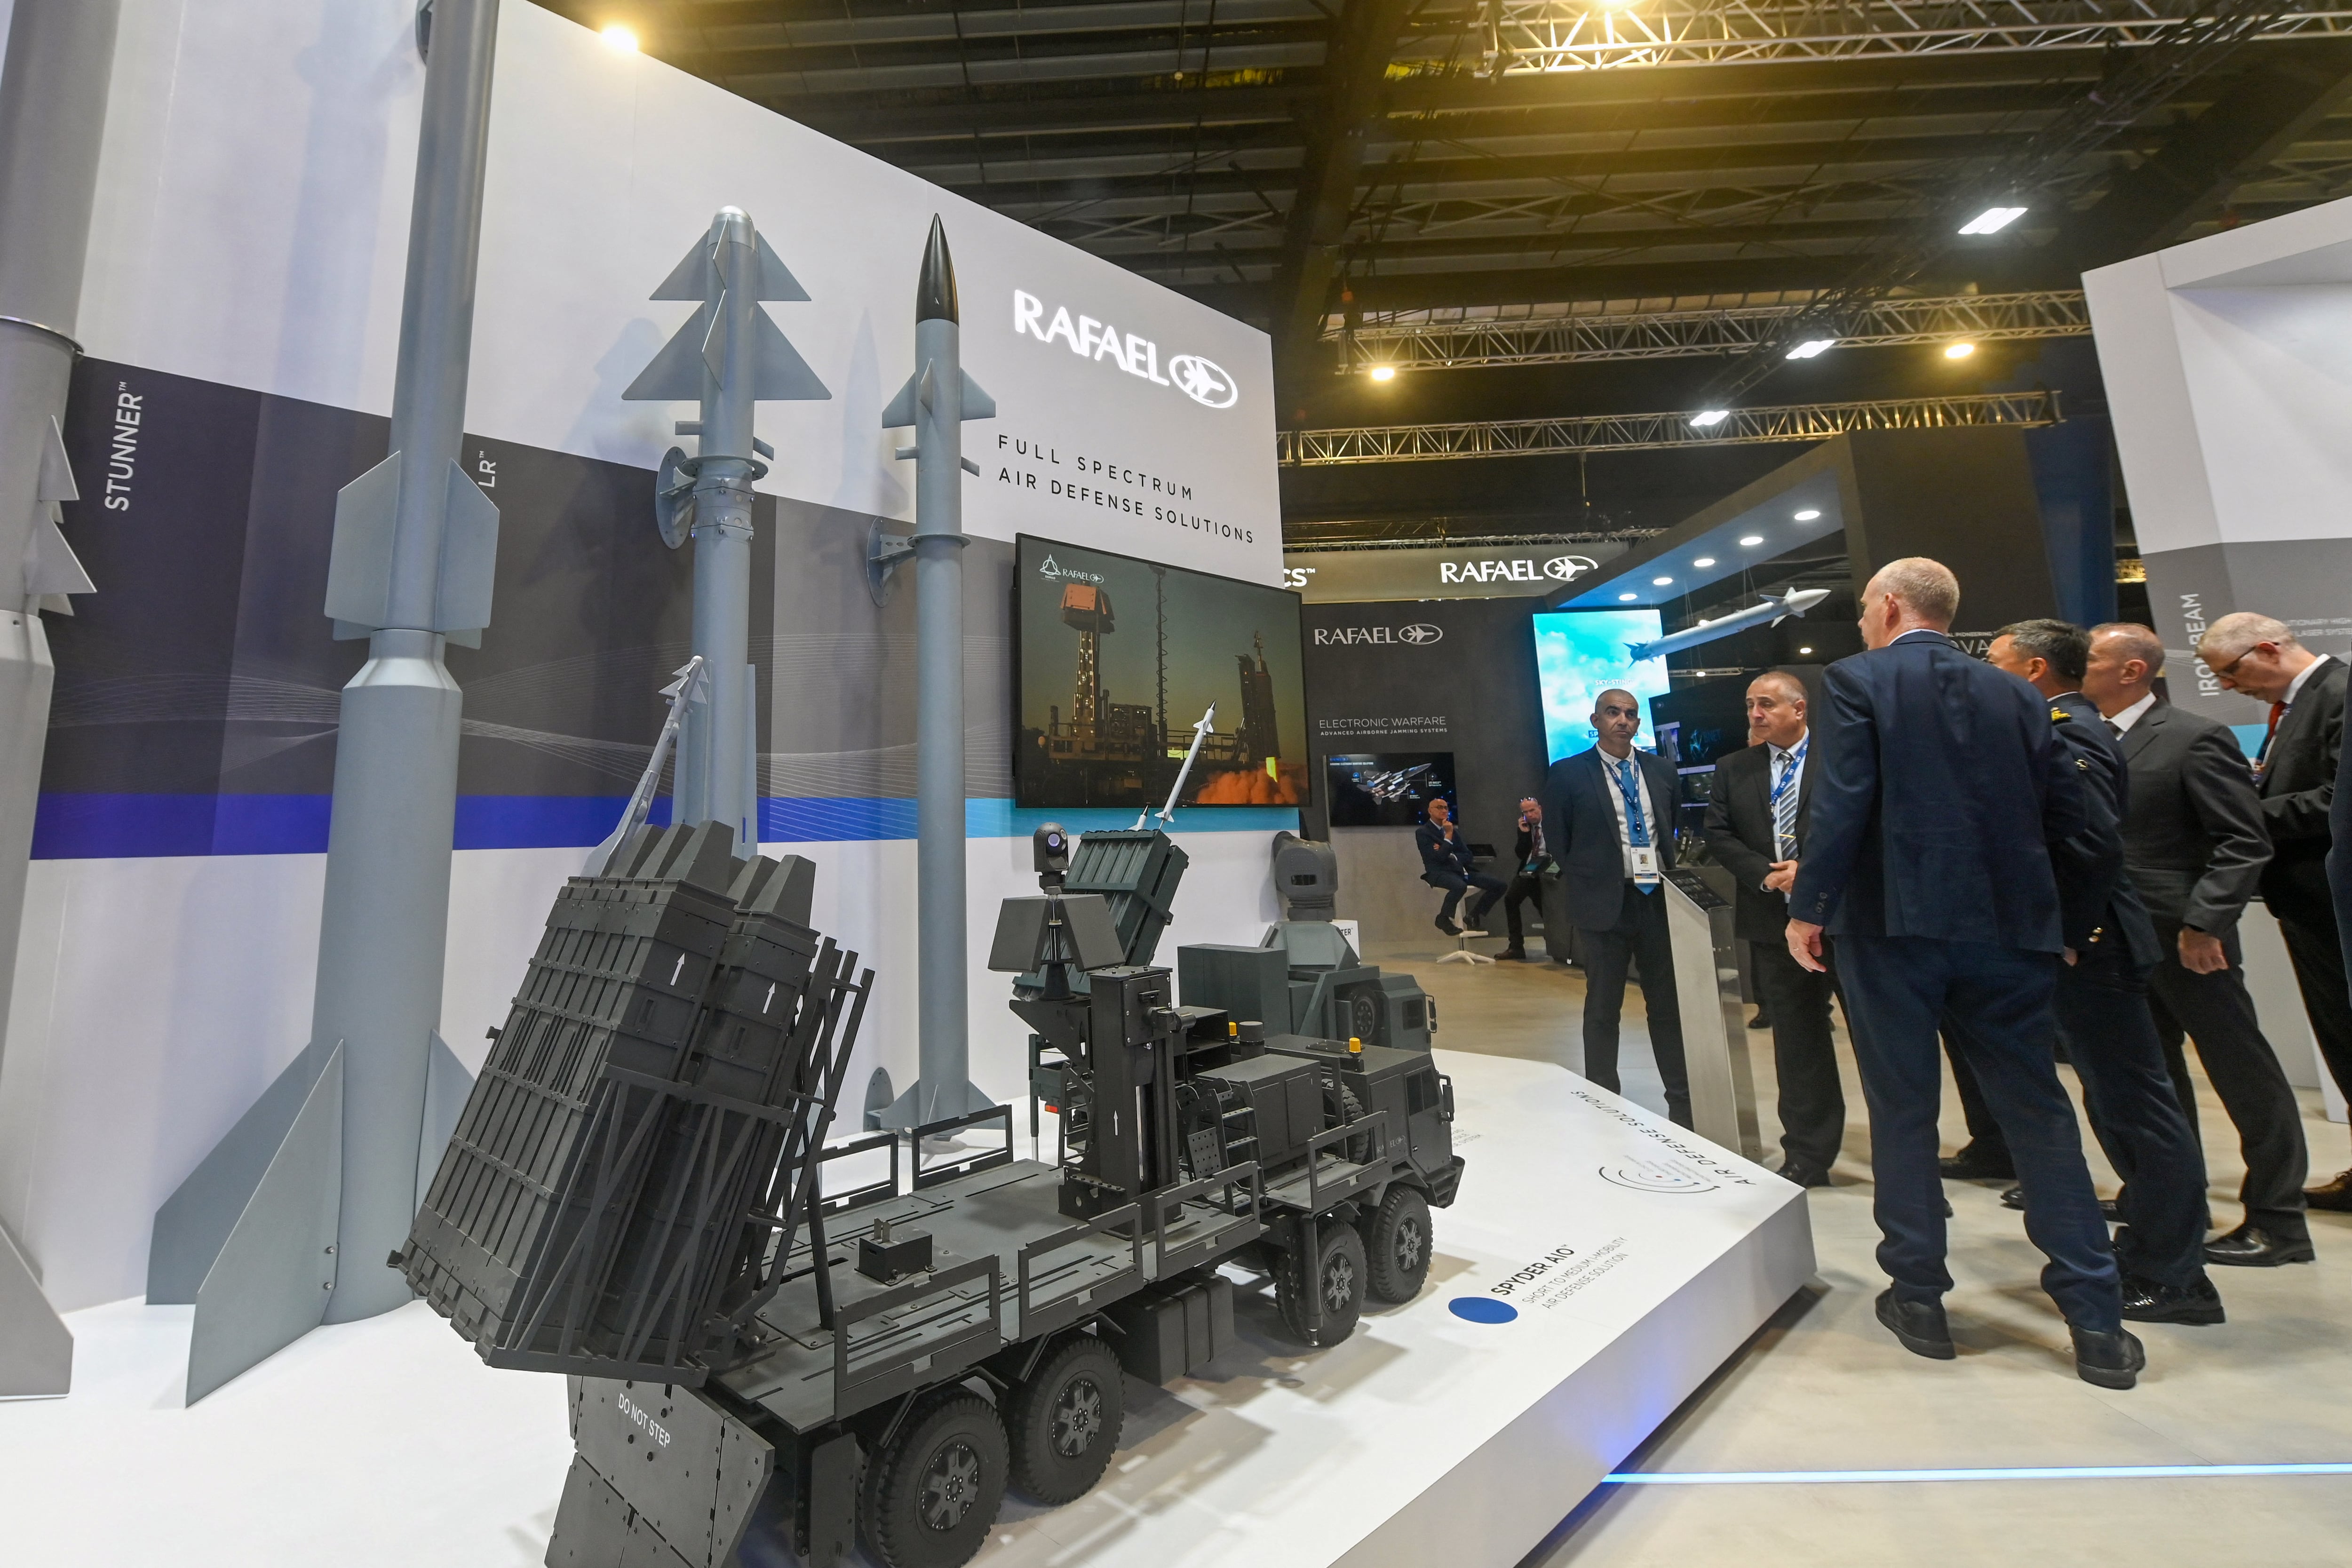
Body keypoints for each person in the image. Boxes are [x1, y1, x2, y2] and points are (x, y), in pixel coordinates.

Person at [1786, 558, 2141, 1389]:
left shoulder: (1855, 679)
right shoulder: (2019, 694)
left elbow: (1841, 801)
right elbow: (2077, 821)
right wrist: (2067, 924)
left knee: (1904, 1110)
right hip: (2009, 931)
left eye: (1865, 607)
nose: (1863, 620)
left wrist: (1810, 908)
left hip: (1891, 927)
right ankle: (2097, 1318)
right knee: (2040, 1112)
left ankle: (1919, 1299)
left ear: (1888, 606)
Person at [1981, 621, 2224, 1323]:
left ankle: (2176, 1276)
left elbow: (2090, 844)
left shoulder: (2068, 730)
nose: (1985, 674)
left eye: (1995, 662)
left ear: (2033, 669)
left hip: (2096, 945)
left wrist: (2073, 933)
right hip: (2085, 943)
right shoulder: (2054, 727)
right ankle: (2150, 1246)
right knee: (2116, 1103)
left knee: (2138, 1106)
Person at [2086, 621, 2313, 1265]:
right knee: (2147, 1075)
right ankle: (2167, 1196)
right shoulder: (2088, 739)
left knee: (2242, 1073)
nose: (2080, 666)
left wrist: (2206, 923)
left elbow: (2242, 840)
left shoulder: (2193, 736)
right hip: (2117, 936)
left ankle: (2278, 1219)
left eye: (2092, 658)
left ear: (2131, 670)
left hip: (2186, 936)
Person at [2193, 612, 2352, 1210]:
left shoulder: (2338, 693)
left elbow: (2337, 799)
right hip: (2307, 904)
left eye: (2229, 673)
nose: (2226, 686)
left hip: (2332, 901)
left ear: (2266, 648)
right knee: (2337, 1036)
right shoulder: (2298, 705)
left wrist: (2242, 817)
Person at [1703, 670, 1844, 1187]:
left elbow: (1863, 823)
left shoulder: (1841, 756)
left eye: (1766, 704)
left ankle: (1903, 1162)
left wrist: (1811, 870)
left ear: (1799, 709)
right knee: (1797, 1042)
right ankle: (1808, 1154)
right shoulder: (1734, 768)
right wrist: (1768, 875)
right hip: (1772, 921)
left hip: (1846, 920)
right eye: (1750, 705)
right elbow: (1718, 833)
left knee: (1879, 1046)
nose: (1755, 714)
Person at [1541, 687, 1692, 1127]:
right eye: (1613, 712)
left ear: (1638, 723)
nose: (1622, 720)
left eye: (1630, 713)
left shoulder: (1661, 770)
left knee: (1667, 1007)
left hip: (1656, 900)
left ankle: (1683, 1106)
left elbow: (1670, 825)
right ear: (1596, 720)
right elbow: (1560, 840)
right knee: (1603, 1008)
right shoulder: (1568, 773)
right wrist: (1594, 877)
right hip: (1604, 903)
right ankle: (1604, 1103)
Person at [1416, 796, 1503, 936]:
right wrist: (1448, 836)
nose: (1444, 810)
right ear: (1430, 811)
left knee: (1499, 885)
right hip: (1440, 873)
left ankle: (1474, 914)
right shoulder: (1423, 833)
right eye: (1439, 808)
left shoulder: (1453, 830)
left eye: (1446, 808)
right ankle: (1443, 918)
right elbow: (1438, 858)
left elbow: (1468, 855)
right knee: (1459, 886)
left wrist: (1451, 854)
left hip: (1460, 871)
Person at [1498, 796, 1554, 962]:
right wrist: (1523, 834)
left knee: (1547, 908)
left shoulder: (1552, 825)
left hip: (1550, 866)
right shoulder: (1526, 828)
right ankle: (1516, 946)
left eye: (1533, 810)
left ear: (1540, 809)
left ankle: (1558, 945)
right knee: (1511, 900)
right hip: (1529, 870)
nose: (1530, 815)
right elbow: (1521, 854)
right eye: (1526, 812)